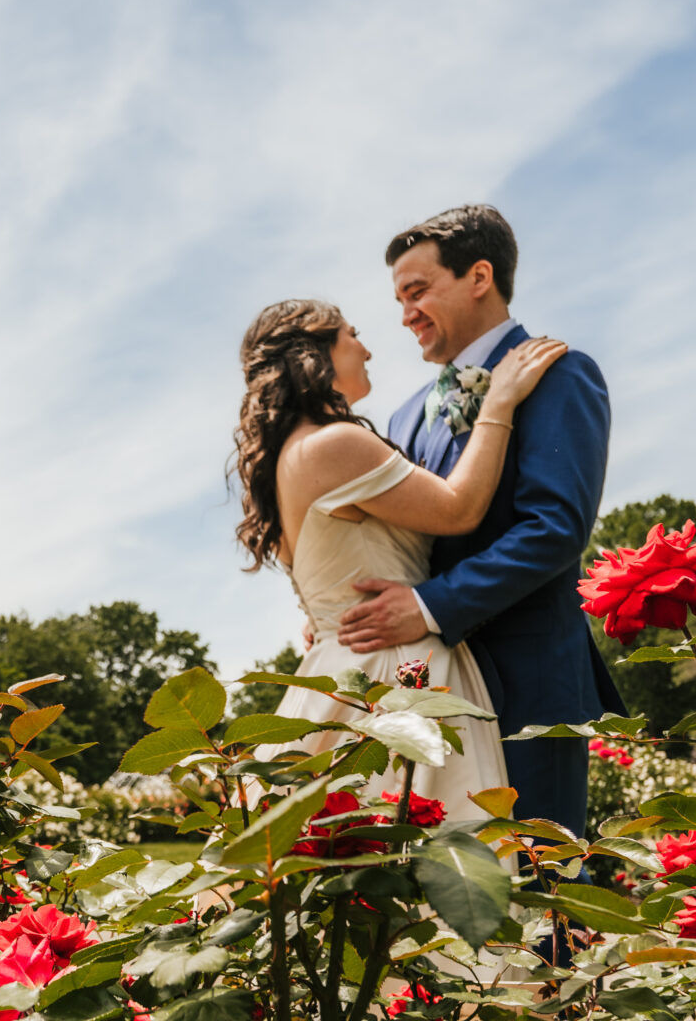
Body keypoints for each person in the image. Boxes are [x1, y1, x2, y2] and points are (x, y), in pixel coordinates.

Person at [333, 204, 624, 833]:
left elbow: (554, 528)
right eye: (399, 297)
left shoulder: (561, 373)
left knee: (535, 893)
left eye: (417, 290)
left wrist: (429, 605)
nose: (405, 312)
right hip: (417, 688)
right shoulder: (405, 416)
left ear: (480, 277)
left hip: (527, 689)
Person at [231, 297, 569, 812]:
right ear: (314, 354)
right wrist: (499, 401)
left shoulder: (284, 460)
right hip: (393, 666)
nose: (365, 348)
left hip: (334, 667)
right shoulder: (334, 444)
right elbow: (459, 510)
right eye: (351, 334)